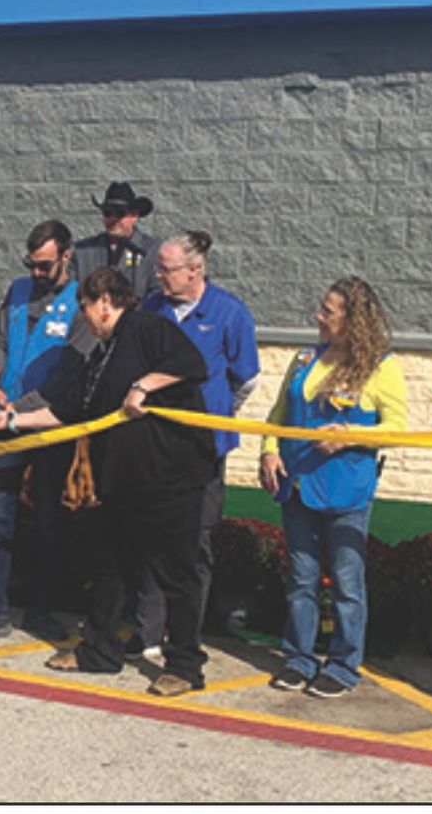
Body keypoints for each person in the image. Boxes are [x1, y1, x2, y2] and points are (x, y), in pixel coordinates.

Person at [0, 266, 212, 697]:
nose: (84, 317)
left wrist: (143, 386)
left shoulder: (147, 327)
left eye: (85, 307)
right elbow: (70, 409)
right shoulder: (101, 353)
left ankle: (185, 664)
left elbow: (191, 364)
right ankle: (100, 652)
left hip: (169, 480)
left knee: (176, 573)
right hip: (121, 482)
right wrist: (13, 420)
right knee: (109, 569)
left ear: (105, 301)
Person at [0, 219, 94, 642]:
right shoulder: (17, 291)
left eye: (44, 266)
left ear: (66, 256)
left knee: (48, 521)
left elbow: (71, 374)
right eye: (30, 263)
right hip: (3, 425)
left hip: (47, 426)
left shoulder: (82, 303)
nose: (35, 273)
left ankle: (42, 610)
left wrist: (20, 407)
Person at [258, 277, 407, 698]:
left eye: (328, 311)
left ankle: (343, 663)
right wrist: (270, 450)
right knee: (301, 577)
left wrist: (349, 435)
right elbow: (278, 412)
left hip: (346, 490)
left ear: (353, 319)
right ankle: (298, 657)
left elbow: (397, 428)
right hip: (298, 483)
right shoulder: (306, 357)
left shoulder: (382, 366)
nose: (317, 317)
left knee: (346, 581)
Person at [128, 230, 260, 660]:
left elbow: (247, 378)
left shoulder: (229, 312)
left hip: (203, 450)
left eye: (166, 270)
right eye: (157, 269)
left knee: (193, 543)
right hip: (157, 446)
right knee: (150, 537)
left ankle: (185, 635)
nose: (159, 277)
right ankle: (146, 633)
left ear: (194, 270)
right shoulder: (152, 308)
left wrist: (217, 414)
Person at [70, 181, 159, 299]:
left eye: (120, 213)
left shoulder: (152, 251)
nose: (113, 219)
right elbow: (71, 292)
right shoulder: (82, 252)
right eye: (107, 213)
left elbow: (156, 294)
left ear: (134, 216)